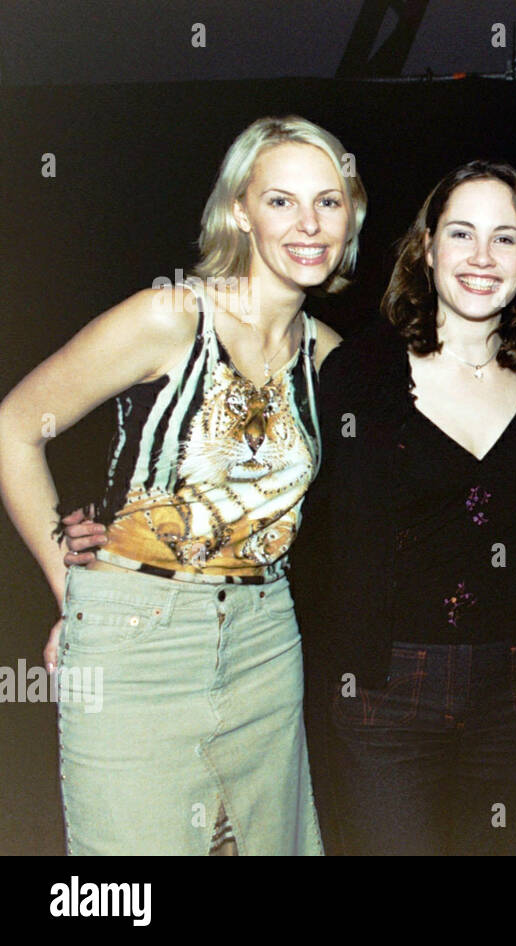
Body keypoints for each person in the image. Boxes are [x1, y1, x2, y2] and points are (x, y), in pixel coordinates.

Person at [0, 115, 365, 854]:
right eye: (282, 201)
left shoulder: (330, 356)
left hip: (267, 637)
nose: (310, 224)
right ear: (241, 211)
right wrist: (73, 595)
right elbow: (13, 428)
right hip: (138, 643)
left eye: (329, 202)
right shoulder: (170, 314)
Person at [294, 161, 516, 855]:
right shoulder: (357, 372)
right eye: (461, 234)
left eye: (505, 239)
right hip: (385, 689)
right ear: (427, 248)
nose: (481, 258)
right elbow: (270, 490)